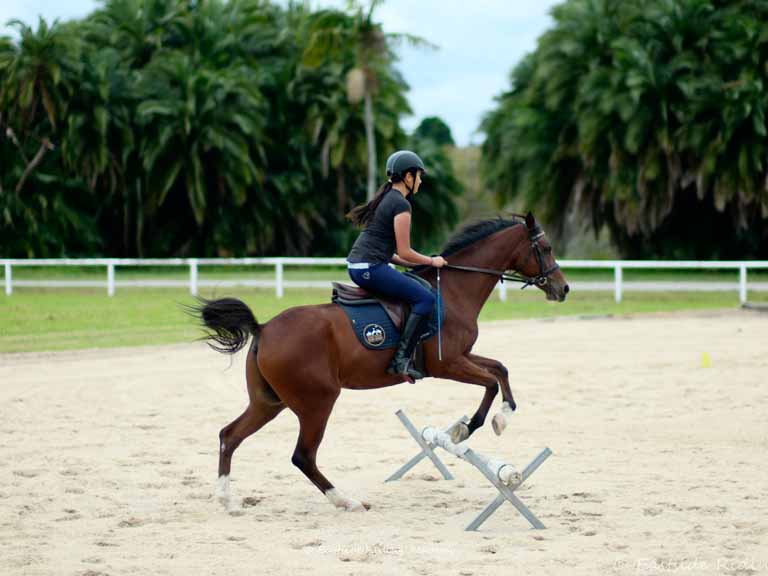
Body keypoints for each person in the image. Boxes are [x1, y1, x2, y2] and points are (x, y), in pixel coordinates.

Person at [346, 150, 447, 380]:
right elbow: (405, 250)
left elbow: (391, 253)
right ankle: (400, 360)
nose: (420, 181)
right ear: (408, 177)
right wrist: (433, 261)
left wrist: (414, 264)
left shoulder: (386, 198)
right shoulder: (401, 205)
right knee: (425, 299)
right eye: (419, 176)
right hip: (370, 269)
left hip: (360, 267)